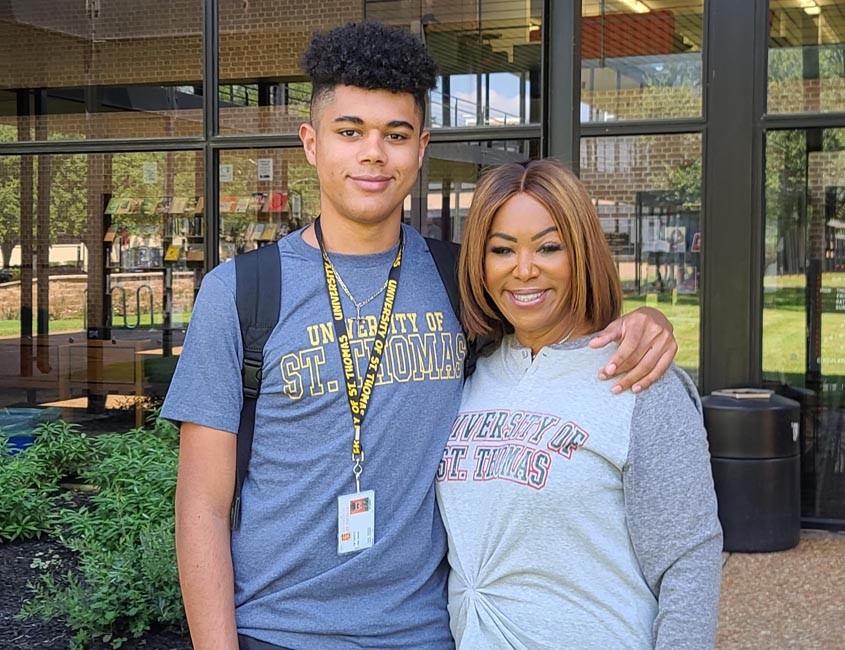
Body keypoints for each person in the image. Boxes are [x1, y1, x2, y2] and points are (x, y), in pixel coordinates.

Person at [162, 22, 678, 650]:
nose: (373, 153)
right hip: (278, 630)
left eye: (395, 135)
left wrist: (645, 322)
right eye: (349, 132)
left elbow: (556, 336)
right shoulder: (240, 293)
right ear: (311, 143)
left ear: (421, 147)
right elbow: (201, 508)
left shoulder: (462, 280)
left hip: (427, 632)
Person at [437, 159, 722, 649]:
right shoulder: (468, 373)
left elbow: (689, 563)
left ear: (582, 253)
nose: (524, 269)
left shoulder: (640, 378)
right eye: (502, 250)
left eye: (549, 247)